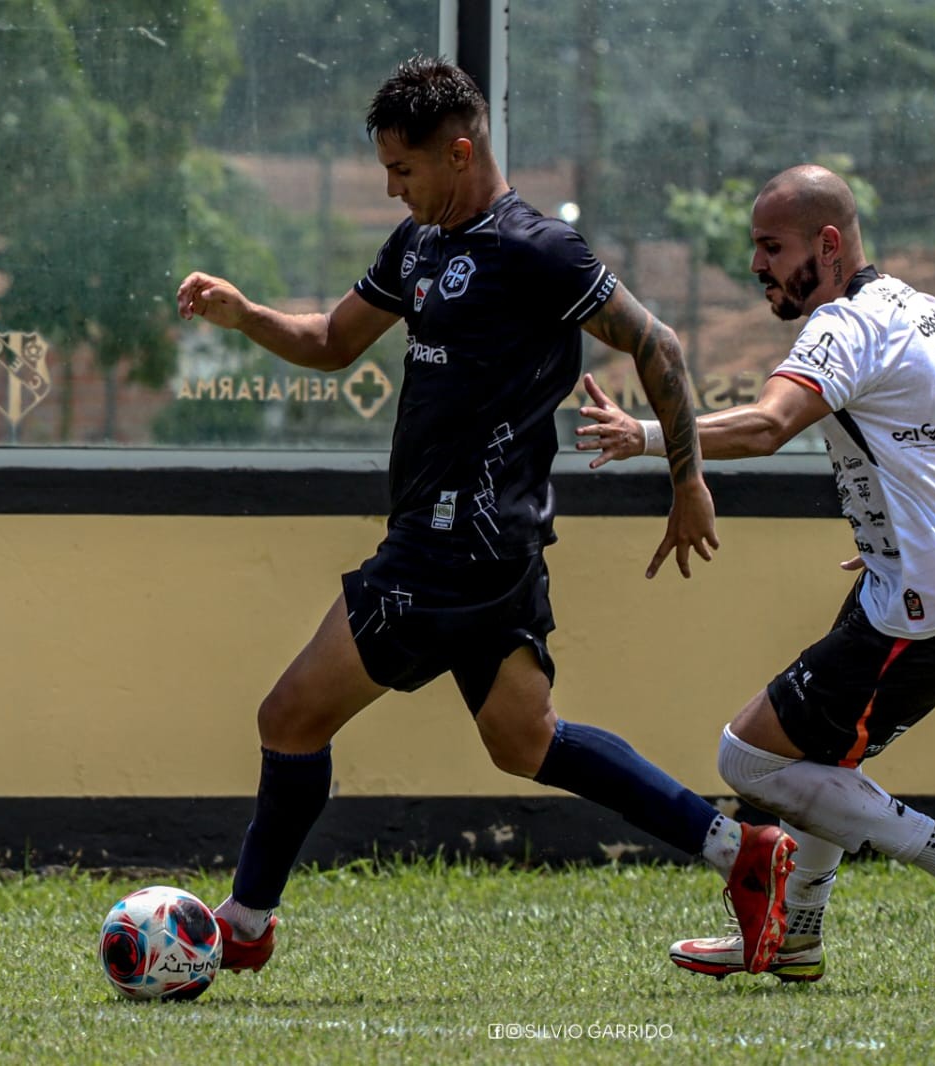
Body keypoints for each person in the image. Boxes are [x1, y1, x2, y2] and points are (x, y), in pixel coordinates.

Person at [173, 56, 796, 978]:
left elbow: (654, 342)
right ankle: (739, 854)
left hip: (452, 543)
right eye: (387, 170)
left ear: (459, 153)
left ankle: (248, 921)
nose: (393, 188)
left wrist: (688, 479)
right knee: (525, 740)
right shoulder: (416, 244)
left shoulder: (538, 249)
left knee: (289, 715)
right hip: (478, 543)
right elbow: (334, 342)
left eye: (405, 170)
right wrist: (244, 313)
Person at [576, 163, 935, 984]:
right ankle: (794, 936)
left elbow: (769, 424)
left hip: (929, 607)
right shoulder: (922, 308)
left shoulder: (841, 325)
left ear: (827, 243)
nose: (757, 266)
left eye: (771, 247)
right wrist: (911, 521)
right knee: (819, 762)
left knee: (748, 759)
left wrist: (646, 437)